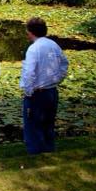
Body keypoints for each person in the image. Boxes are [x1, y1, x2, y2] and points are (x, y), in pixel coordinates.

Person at [19, 17, 69, 154]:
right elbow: (64, 64)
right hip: (51, 92)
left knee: (33, 127)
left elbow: (29, 72)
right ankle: (49, 153)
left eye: (27, 31)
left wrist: (28, 92)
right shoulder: (53, 45)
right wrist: (57, 80)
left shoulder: (33, 49)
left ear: (31, 32)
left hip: (37, 93)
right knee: (48, 125)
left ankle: (35, 156)